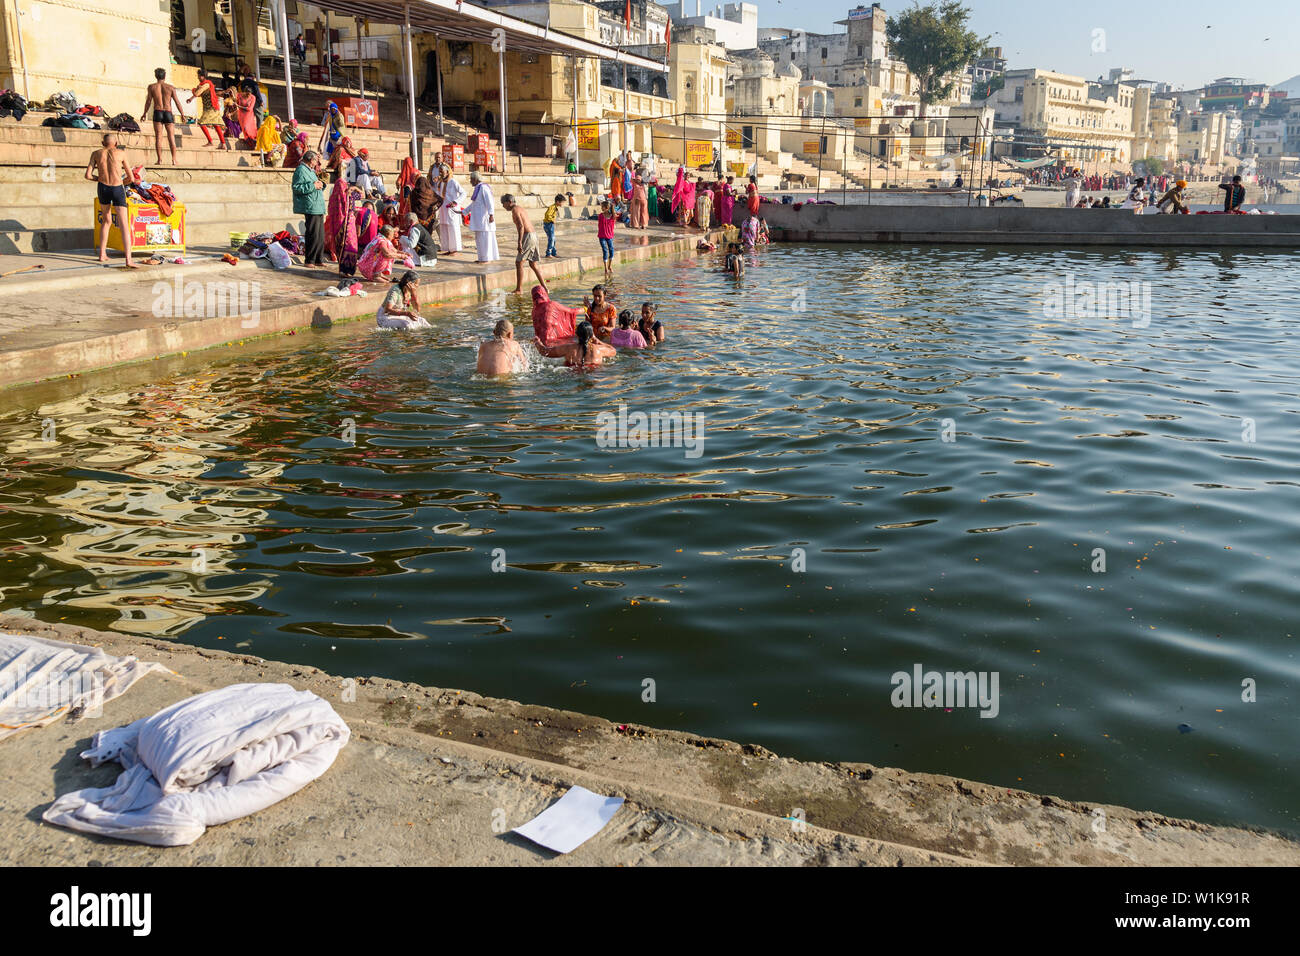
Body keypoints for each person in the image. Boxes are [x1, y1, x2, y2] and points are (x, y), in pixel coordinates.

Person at [85, 133, 137, 268]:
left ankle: (102, 254)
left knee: (106, 220)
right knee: (124, 224)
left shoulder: (96, 153)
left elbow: (88, 175)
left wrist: (100, 179)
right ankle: (128, 259)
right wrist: (121, 182)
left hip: (103, 188)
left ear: (103, 143)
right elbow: (131, 178)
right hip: (117, 187)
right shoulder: (121, 153)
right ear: (116, 143)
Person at [501, 193, 545, 294]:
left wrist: (519, 242)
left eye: (503, 203)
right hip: (533, 235)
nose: (503, 206)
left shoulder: (515, 210)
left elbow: (521, 226)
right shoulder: (520, 208)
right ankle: (545, 288)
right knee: (533, 264)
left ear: (509, 202)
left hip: (527, 236)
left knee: (519, 262)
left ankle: (519, 289)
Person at [140, 68, 186, 165]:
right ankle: (174, 160)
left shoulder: (151, 87)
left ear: (156, 76)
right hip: (168, 112)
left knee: (158, 137)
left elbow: (148, 101)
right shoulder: (170, 87)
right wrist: (182, 114)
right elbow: (177, 102)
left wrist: (144, 113)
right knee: (171, 137)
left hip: (158, 112)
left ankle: (159, 160)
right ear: (164, 76)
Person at [293, 149, 327, 267]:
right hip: (310, 205)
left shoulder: (310, 171)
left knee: (320, 234)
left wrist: (321, 184)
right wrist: (313, 185)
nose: (316, 163)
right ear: (311, 160)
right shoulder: (300, 170)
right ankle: (310, 260)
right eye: (315, 160)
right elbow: (297, 188)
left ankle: (318, 258)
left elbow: (315, 185)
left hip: (317, 205)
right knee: (312, 233)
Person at [534, 320, 615, 368]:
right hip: (595, 375)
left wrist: (537, 342)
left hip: (572, 374)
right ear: (591, 335)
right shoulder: (598, 349)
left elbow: (544, 351)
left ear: (577, 334)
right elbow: (613, 350)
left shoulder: (568, 348)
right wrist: (597, 340)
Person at [462, 171, 498, 263]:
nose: (470, 181)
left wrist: (491, 214)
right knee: (479, 240)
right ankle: (481, 258)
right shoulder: (478, 188)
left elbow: (489, 202)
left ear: (475, 179)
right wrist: (464, 211)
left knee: (485, 240)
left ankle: (487, 259)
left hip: (484, 219)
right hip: (478, 220)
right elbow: (474, 204)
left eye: (471, 179)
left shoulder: (484, 188)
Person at [187, 69, 227, 150]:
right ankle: (223, 144)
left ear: (203, 76)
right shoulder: (204, 84)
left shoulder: (206, 85)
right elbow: (199, 93)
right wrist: (194, 92)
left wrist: (192, 96)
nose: (198, 77)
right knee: (216, 125)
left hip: (211, 108)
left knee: (202, 123)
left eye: (199, 76)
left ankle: (211, 141)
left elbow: (197, 93)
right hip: (210, 108)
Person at [434, 163, 463, 255]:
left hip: (451, 209)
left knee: (453, 228)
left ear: (447, 171)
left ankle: (454, 249)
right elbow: (438, 195)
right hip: (443, 209)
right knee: (444, 228)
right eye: (440, 172)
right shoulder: (441, 183)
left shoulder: (453, 182)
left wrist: (455, 202)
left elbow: (463, 193)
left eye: (442, 171)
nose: (441, 173)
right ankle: (448, 248)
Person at [335, 183, 362, 277]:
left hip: (350, 222)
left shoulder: (352, 196)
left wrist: (354, 188)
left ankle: (349, 270)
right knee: (342, 245)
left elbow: (361, 194)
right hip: (341, 223)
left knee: (351, 245)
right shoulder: (337, 197)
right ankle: (342, 270)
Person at [324, 169, 349, 263]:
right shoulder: (344, 196)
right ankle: (340, 255)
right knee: (341, 238)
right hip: (341, 220)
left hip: (336, 221)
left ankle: (337, 254)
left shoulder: (333, 197)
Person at [596, 199, 616, 273]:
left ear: (606, 208)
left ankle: (610, 266)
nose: (601, 208)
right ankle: (605, 268)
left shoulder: (612, 217)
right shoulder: (601, 216)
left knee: (611, 250)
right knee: (605, 251)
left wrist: (612, 207)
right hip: (602, 236)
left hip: (609, 236)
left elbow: (614, 215)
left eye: (602, 207)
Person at [542, 193, 563, 258]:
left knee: (553, 239)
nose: (562, 204)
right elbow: (547, 215)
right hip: (548, 224)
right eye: (562, 202)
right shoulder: (552, 207)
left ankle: (554, 253)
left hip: (550, 224)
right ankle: (548, 253)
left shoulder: (555, 207)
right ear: (557, 202)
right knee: (551, 239)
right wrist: (552, 220)